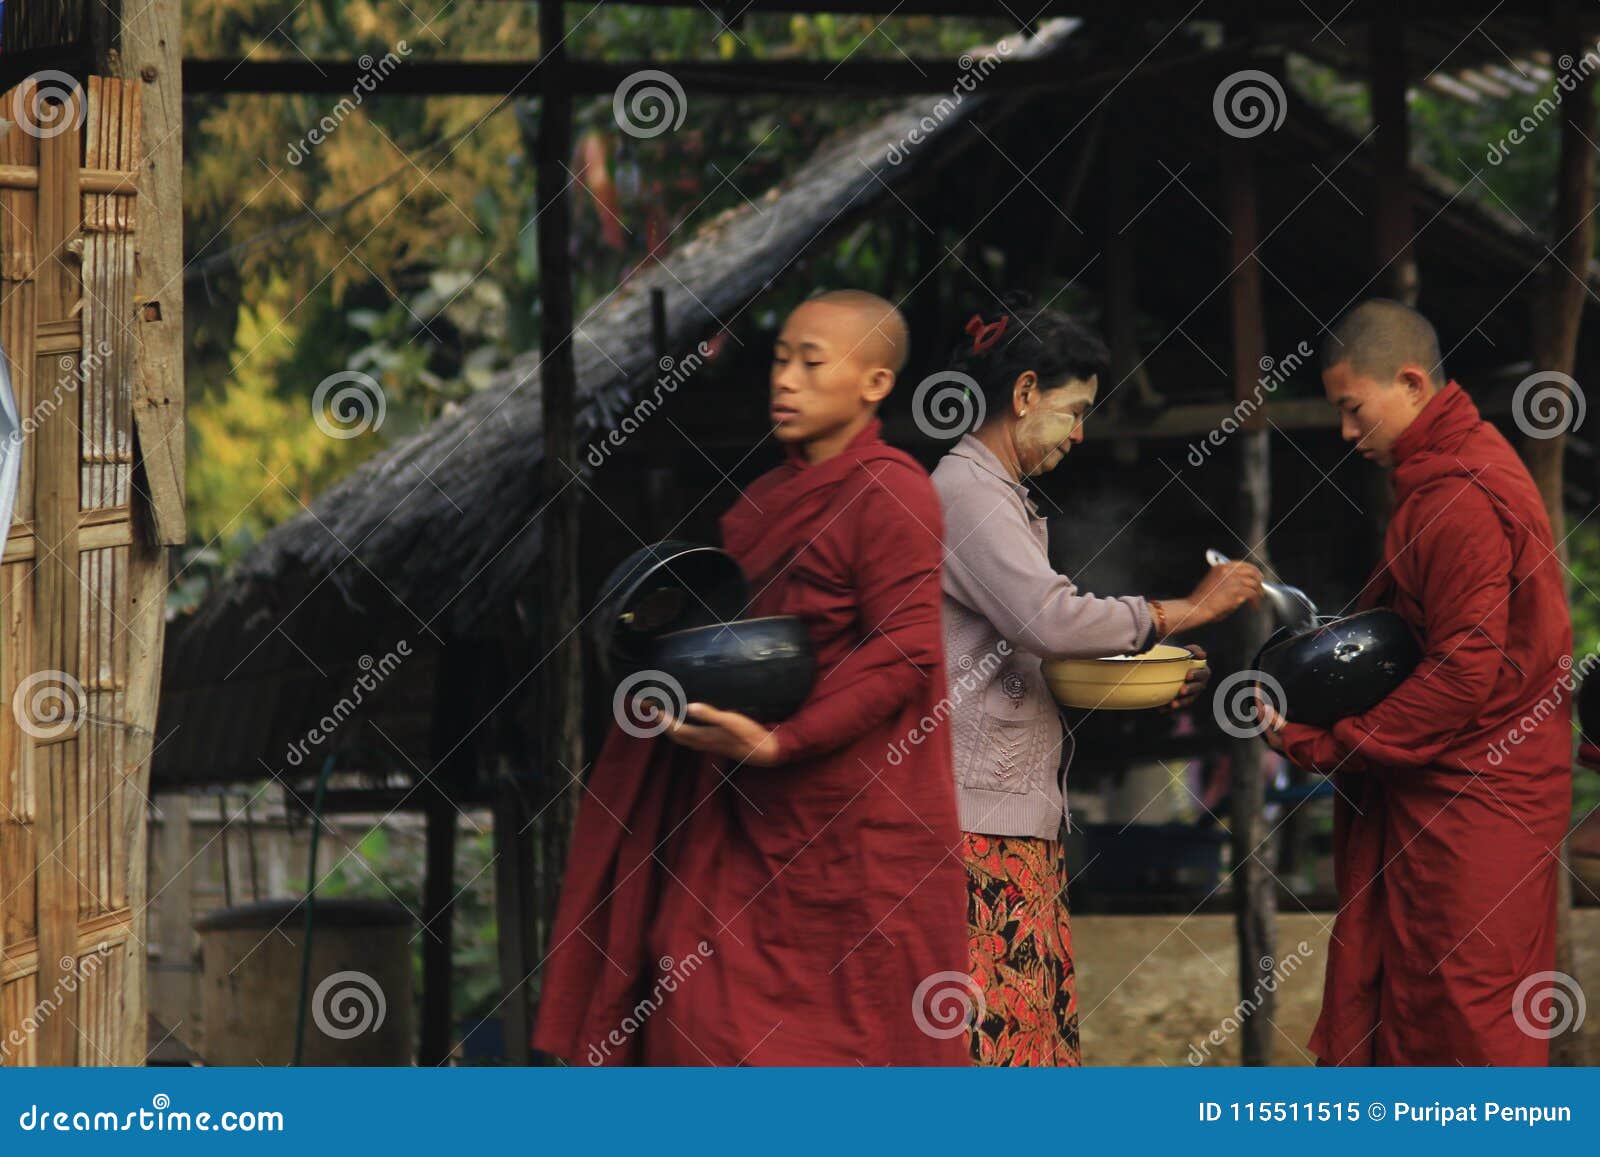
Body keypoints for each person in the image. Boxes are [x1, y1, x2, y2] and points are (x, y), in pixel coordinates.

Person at [532, 289, 970, 1065]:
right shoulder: (764, 501)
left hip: (856, 817)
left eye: (812, 363)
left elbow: (905, 652)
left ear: (875, 383)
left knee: (858, 1038)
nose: (785, 380)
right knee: (694, 1002)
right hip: (745, 811)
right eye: (780, 360)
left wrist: (783, 742)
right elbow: (742, 638)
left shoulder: (895, 491)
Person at [930, 301, 1263, 1065]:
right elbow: (1050, 619)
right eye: (1075, 410)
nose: (1080, 433)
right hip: (977, 829)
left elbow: (1028, 652)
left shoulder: (996, 492)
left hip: (1006, 820)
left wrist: (1138, 678)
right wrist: (1185, 610)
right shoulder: (967, 491)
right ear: (1024, 394)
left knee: (1027, 1045)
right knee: (1001, 1052)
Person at [1257, 298, 1573, 1066]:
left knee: (1464, 1011)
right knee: (1416, 999)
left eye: (1352, 407)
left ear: (1409, 382)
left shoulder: (1460, 495)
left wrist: (1325, 742)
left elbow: (1462, 673)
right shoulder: (1452, 470)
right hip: (1456, 789)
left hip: (1479, 799)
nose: (1346, 431)